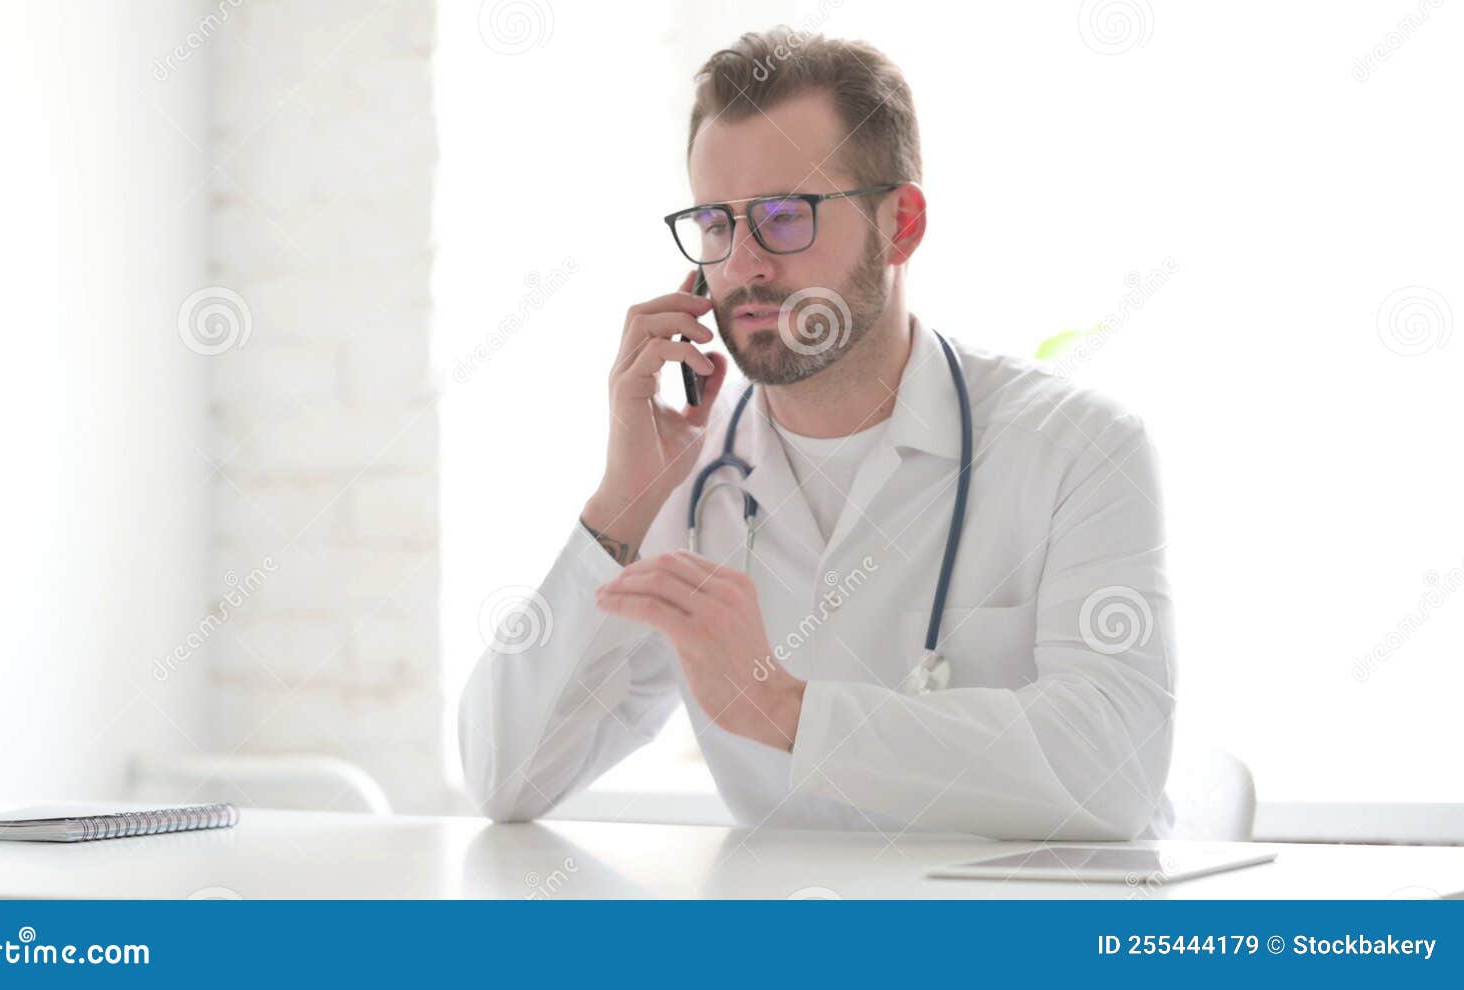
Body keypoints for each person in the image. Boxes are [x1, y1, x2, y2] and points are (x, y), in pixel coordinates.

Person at [459, 27, 1175, 840]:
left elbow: (1115, 774)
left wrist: (783, 708)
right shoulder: (687, 481)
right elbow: (504, 778)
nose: (743, 266)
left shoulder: (1079, 449)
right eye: (717, 223)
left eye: (783, 216)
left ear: (901, 224)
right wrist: (621, 503)